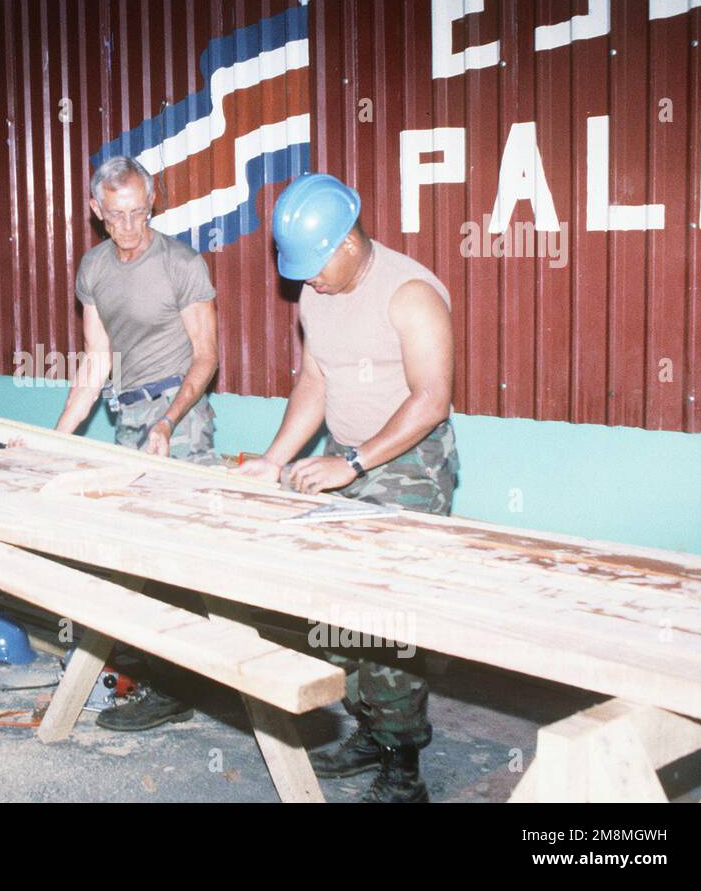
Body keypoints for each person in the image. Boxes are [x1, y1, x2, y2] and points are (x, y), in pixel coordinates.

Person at [236, 172, 458, 802]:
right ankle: (371, 729)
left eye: (316, 265)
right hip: (344, 456)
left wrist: (355, 464)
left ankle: (403, 763)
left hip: (406, 466)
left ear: (350, 243)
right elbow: (315, 382)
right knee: (336, 608)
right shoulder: (316, 295)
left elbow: (432, 400)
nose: (308, 279)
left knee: (386, 620)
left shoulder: (410, 293)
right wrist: (275, 461)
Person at [52, 155, 219, 731]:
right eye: (117, 216)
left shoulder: (182, 264)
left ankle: (183, 684)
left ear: (154, 205)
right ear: (96, 211)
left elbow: (207, 357)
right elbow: (96, 363)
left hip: (180, 415)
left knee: (181, 554)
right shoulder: (92, 268)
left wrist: (169, 421)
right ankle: (167, 675)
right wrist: (54, 440)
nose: (130, 228)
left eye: (140, 214)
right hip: (127, 419)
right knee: (134, 555)